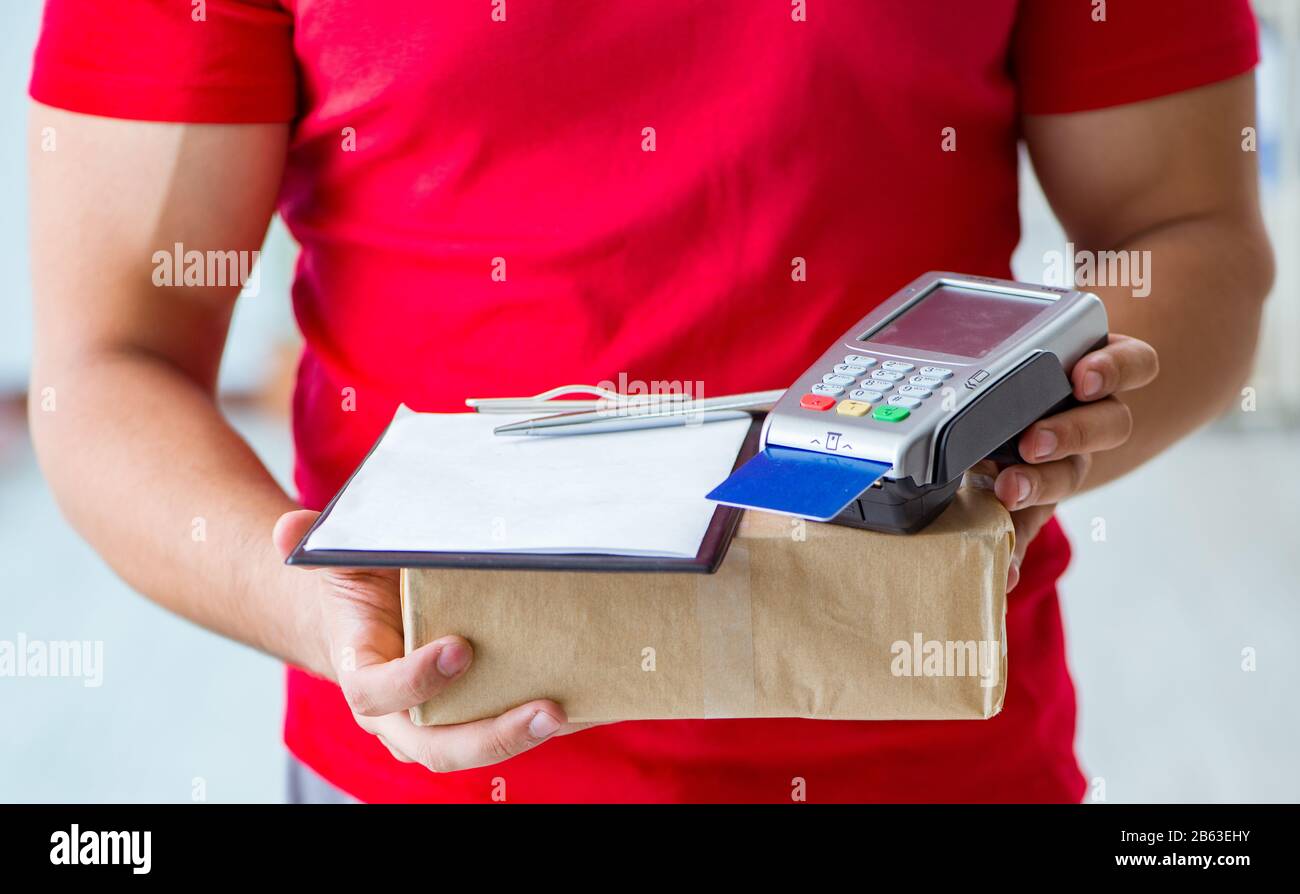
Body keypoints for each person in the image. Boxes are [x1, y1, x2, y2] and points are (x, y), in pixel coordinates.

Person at [27, 0, 1271, 803]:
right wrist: (301, 604)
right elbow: (109, 361)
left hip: (929, 754)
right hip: (427, 758)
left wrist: (1039, 419)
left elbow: (1185, 231)